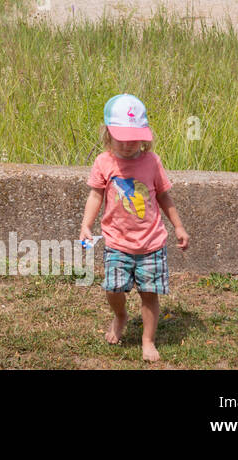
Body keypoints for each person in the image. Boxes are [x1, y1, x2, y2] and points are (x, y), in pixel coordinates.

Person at [79, 94, 190, 362]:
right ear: (108, 133)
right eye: (121, 138)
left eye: (134, 138)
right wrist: (86, 225)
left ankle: (147, 340)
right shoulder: (104, 162)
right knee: (113, 288)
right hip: (117, 241)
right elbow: (96, 196)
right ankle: (120, 315)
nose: (128, 145)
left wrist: (178, 226)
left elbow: (163, 196)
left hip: (151, 243)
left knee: (149, 294)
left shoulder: (152, 162)